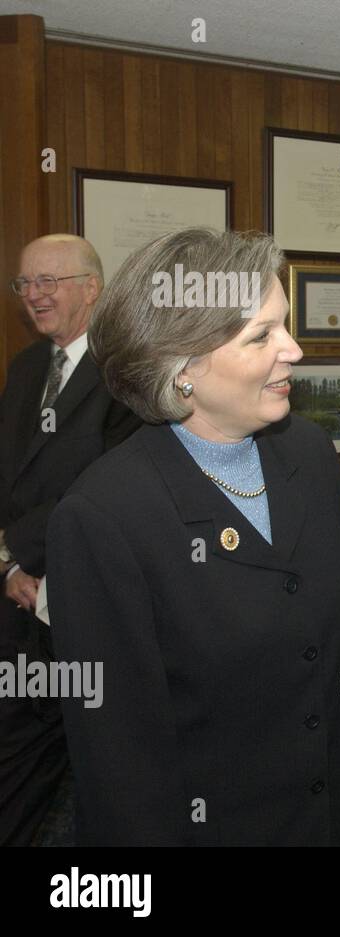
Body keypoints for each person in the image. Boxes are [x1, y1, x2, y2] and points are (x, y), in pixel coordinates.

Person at [45, 227, 340, 845]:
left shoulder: (309, 454)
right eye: (262, 335)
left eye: (284, 324)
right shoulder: (103, 519)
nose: (295, 350)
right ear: (181, 370)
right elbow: (118, 758)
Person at [0, 234, 141, 845]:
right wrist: (6, 568)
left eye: (48, 281)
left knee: (107, 770)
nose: (34, 295)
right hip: (15, 598)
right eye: (24, 284)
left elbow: (106, 490)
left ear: (92, 287)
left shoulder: (126, 371)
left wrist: (25, 559)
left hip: (84, 599)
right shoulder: (26, 366)